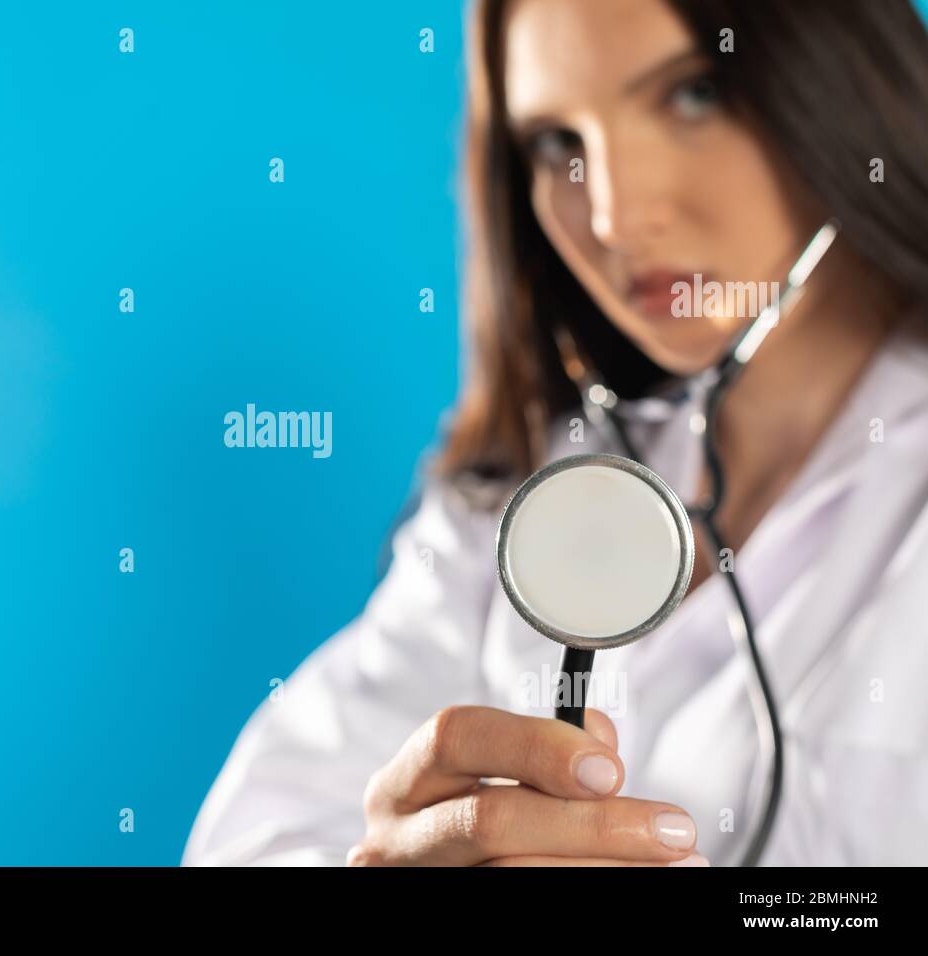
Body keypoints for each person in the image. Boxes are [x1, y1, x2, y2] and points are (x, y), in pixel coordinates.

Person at [183, 0, 928, 866]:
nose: (612, 216)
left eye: (693, 95)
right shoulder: (535, 483)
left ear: (846, 87)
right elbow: (255, 834)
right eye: (557, 145)